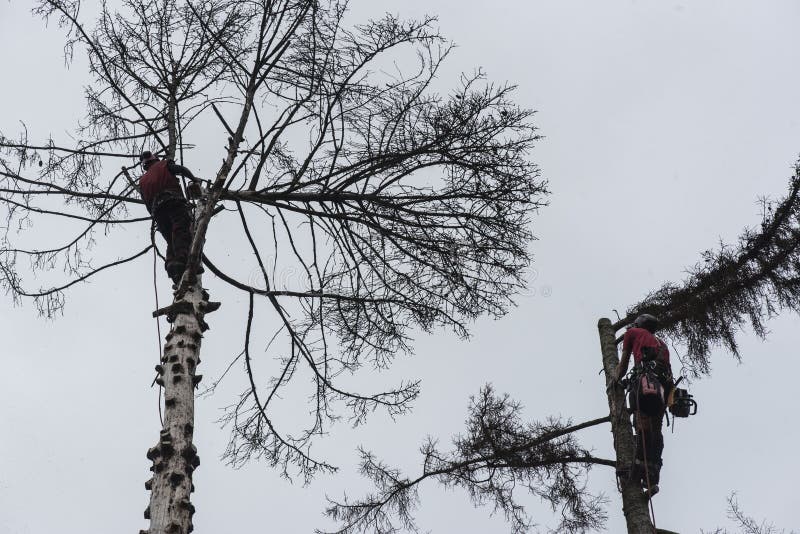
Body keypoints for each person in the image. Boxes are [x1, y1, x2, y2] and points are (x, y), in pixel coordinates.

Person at [610, 313, 673, 496]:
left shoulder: (633, 333)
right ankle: (653, 470)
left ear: (638, 324)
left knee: (642, 422)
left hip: (646, 382)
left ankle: (638, 465)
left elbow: (623, 365)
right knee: (656, 427)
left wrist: (613, 380)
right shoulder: (662, 343)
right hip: (664, 387)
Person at [138, 151, 202, 283]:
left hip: (157, 211)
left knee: (171, 240)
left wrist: (155, 215)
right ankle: (183, 261)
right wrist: (194, 180)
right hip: (173, 201)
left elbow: (146, 202)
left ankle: (173, 267)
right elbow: (181, 170)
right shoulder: (164, 164)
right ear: (155, 158)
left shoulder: (142, 181)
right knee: (181, 230)